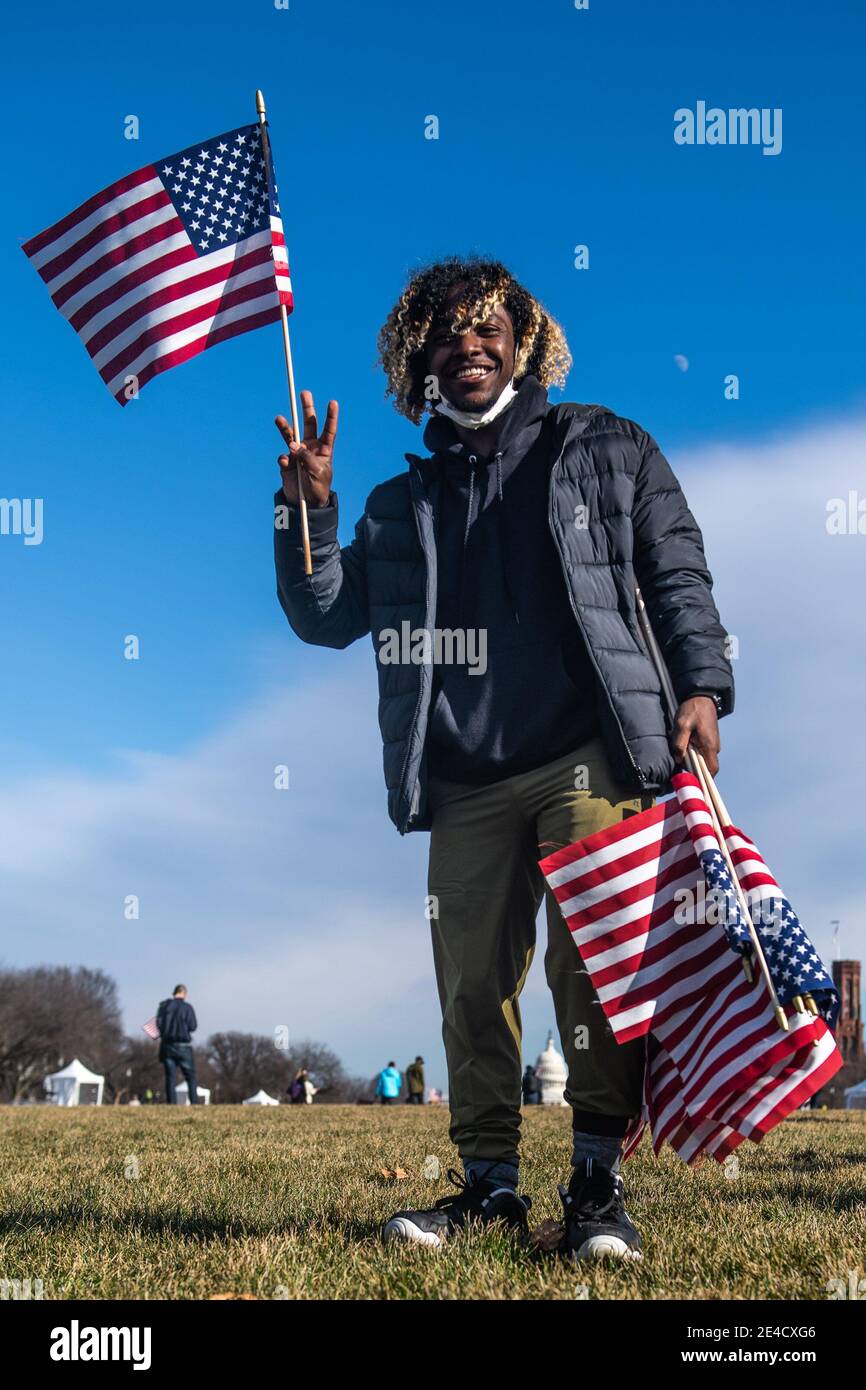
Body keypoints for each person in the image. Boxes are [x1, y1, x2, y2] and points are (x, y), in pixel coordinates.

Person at [273, 256, 732, 1262]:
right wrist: (304, 511)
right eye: (444, 334)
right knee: (470, 983)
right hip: (463, 777)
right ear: (417, 361)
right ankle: (486, 1188)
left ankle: (596, 1187)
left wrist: (701, 687)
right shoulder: (402, 503)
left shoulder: (606, 446)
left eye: (487, 328)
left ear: (524, 341)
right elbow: (324, 615)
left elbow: (677, 570)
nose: (467, 346)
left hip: (588, 755)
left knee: (592, 969)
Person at [156, 984, 198, 1105]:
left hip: (167, 1045)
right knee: (190, 1077)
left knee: (170, 1077)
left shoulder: (164, 1007)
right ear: (184, 993)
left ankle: (171, 1103)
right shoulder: (187, 1008)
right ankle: (194, 1102)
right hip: (184, 1046)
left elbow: (158, 1024)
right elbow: (193, 1026)